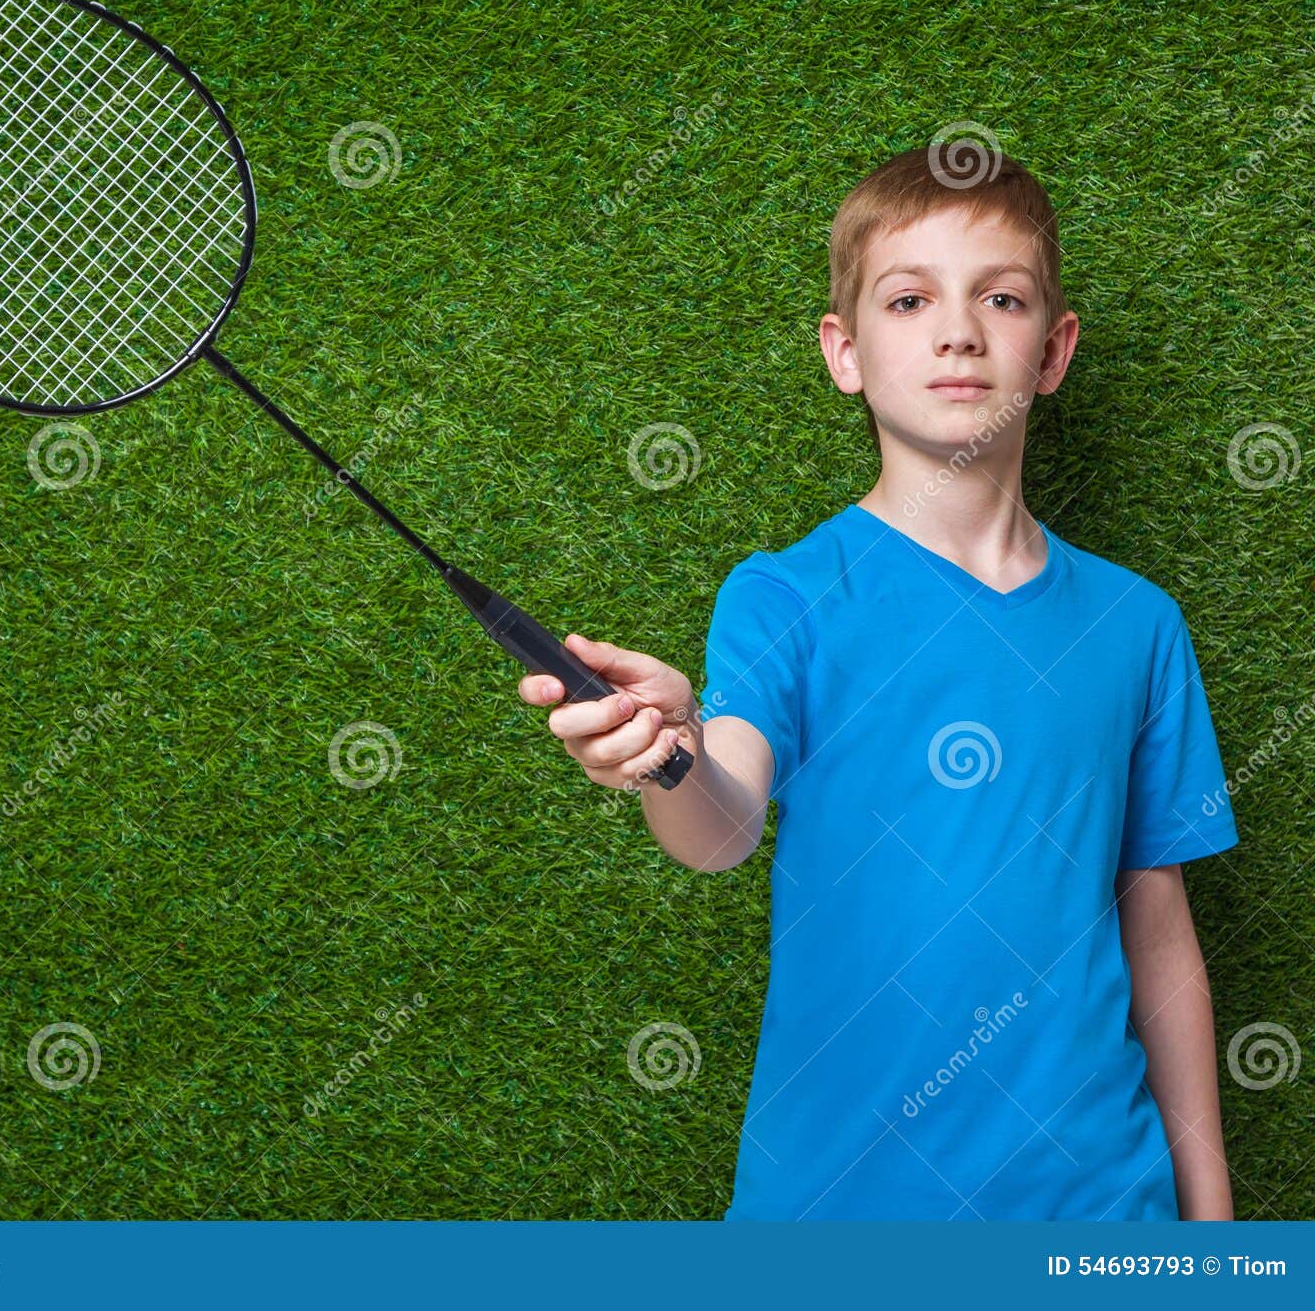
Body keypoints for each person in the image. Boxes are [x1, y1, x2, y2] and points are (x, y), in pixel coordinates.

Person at [517, 143, 1239, 1220]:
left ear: (1053, 349)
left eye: (1000, 296)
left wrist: (1211, 1220)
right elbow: (720, 826)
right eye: (908, 300)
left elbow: (1159, 925)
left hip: (1097, 1210)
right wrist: (670, 755)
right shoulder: (783, 595)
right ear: (843, 351)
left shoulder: (1136, 623)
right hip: (833, 1212)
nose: (957, 330)